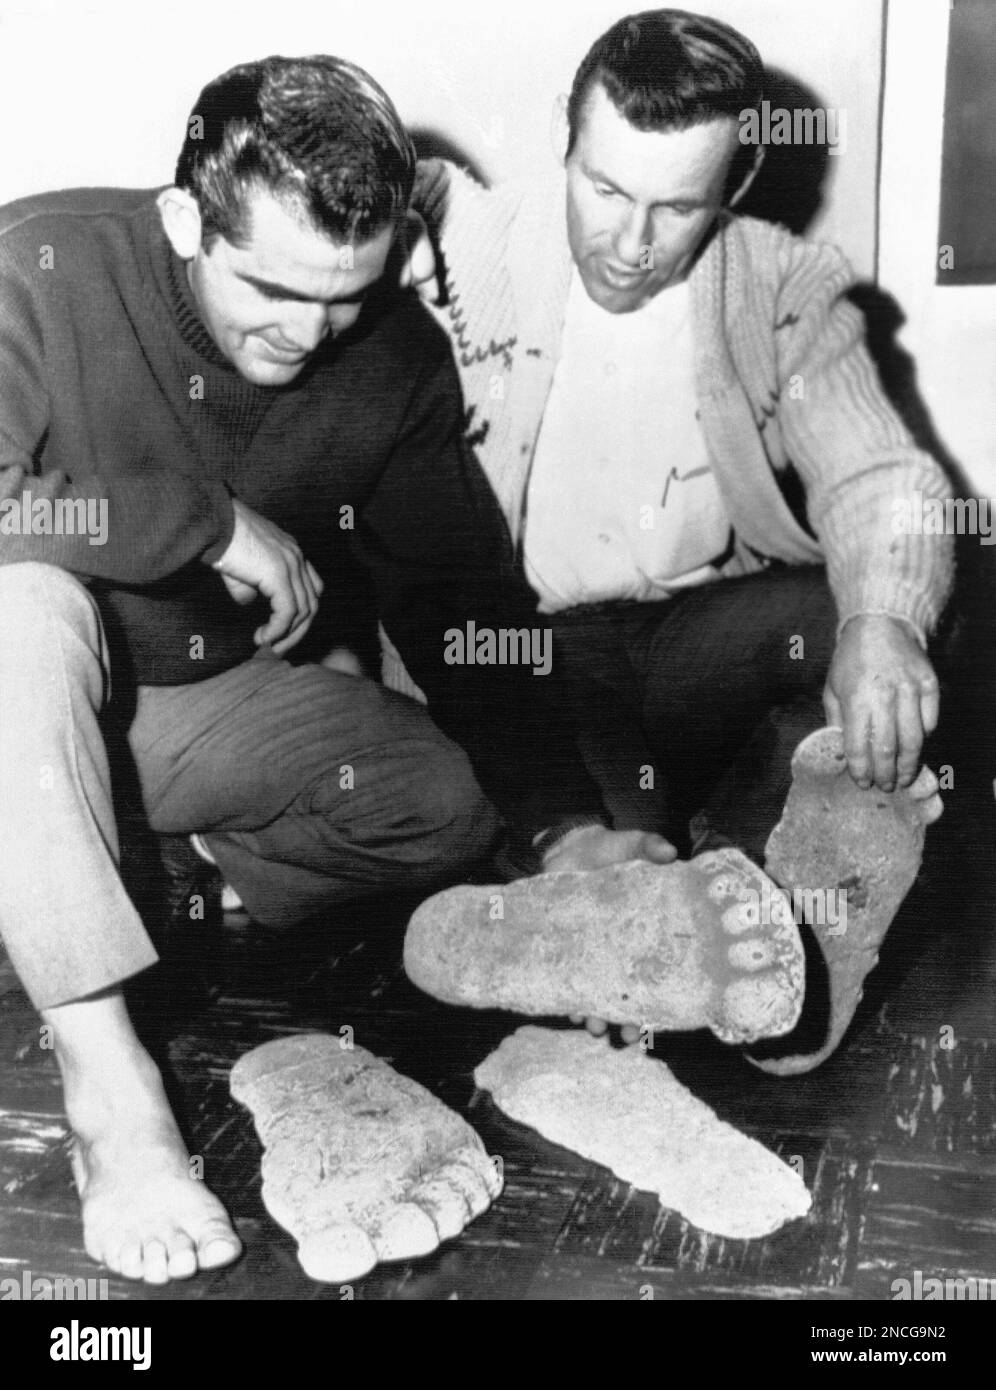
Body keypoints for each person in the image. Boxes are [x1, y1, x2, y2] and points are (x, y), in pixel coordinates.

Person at [0, 54, 663, 1285]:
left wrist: (567, 827)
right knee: (18, 606)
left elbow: (466, 605)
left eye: (345, 299)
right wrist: (204, 521)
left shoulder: (393, 351)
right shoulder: (41, 264)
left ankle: (116, 873)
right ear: (185, 216)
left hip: (177, 721)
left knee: (440, 802)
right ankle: (107, 1081)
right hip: (21, 701)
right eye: (271, 287)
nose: (306, 335)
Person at [402, 8, 954, 1058]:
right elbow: (377, 188)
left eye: (674, 208)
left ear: (734, 191)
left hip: (694, 644)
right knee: (616, 861)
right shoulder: (471, 244)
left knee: (880, 615)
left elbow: (879, 473)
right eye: (602, 188)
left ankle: (780, 907)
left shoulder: (780, 284)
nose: (627, 241)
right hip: (537, 661)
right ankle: (671, 917)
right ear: (563, 143)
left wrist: (885, 622)